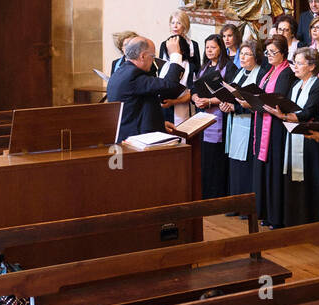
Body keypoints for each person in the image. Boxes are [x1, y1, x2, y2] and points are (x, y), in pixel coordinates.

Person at [267, 47, 319, 224]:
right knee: (292, 179)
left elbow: (309, 110)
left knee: (308, 179)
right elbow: (288, 105)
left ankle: (309, 221)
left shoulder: (318, 85)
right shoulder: (295, 84)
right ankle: (293, 220)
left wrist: (284, 116)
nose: (295, 67)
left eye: (300, 63)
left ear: (311, 66)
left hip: (309, 139)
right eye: (295, 63)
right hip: (292, 134)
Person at [251, 34, 295, 229]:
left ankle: (276, 215)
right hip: (263, 121)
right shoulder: (269, 71)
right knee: (264, 168)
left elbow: (279, 99)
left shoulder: (286, 73)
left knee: (274, 170)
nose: (269, 55)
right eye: (267, 52)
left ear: (283, 53)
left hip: (276, 127)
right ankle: (266, 212)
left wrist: (258, 102)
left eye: (273, 52)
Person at [107, 36, 187, 140]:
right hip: (136, 140)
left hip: (132, 135)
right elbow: (170, 84)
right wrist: (175, 55)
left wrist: (158, 124)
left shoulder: (122, 71)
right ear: (143, 56)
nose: (153, 59)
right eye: (152, 56)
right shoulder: (133, 76)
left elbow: (139, 106)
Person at [222, 41, 265, 203]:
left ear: (256, 57)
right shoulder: (238, 73)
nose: (243, 57)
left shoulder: (260, 75)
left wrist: (236, 107)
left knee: (246, 165)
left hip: (250, 125)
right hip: (235, 124)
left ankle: (246, 205)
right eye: (241, 54)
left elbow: (258, 103)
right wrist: (225, 104)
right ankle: (235, 203)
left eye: (247, 54)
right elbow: (231, 95)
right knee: (235, 163)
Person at [191, 33, 233, 199]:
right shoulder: (204, 67)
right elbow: (194, 89)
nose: (209, 50)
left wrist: (209, 101)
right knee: (205, 156)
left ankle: (217, 195)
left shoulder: (228, 67)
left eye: (213, 47)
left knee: (216, 157)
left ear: (221, 48)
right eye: (207, 47)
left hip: (219, 117)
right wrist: (196, 99)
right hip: (203, 117)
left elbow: (229, 93)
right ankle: (205, 193)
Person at [158, 9, 202, 74]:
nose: (175, 26)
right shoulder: (164, 44)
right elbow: (160, 67)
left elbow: (197, 68)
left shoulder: (193, 45)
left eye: (179, 23)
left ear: (185, 25)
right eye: (173, 23)